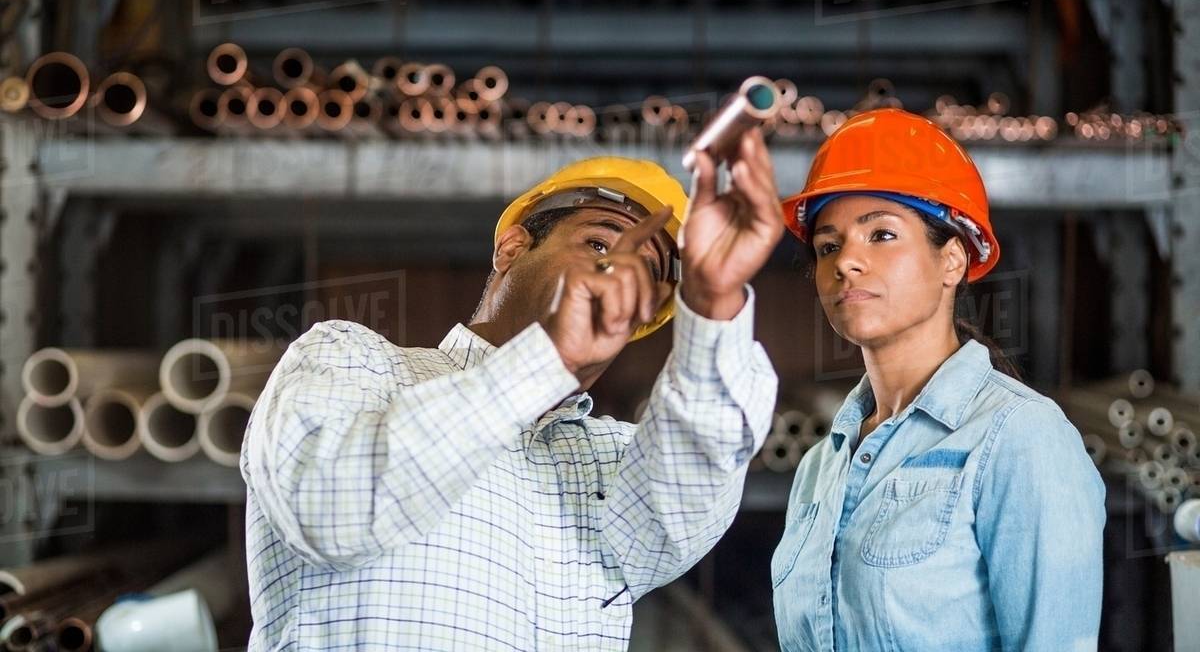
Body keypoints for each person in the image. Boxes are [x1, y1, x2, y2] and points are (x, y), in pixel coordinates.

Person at [241, 135, 785, 651]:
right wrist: (545, 360)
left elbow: (696, 470)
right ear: (512, 247)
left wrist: (716, 304)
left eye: (645, 276)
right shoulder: (353, 361)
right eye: (598, 243)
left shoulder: (615, 463)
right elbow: (329, 511)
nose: (616, 277)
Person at [771, 108, 1105, 652]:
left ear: (952, 260)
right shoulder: (820, 468)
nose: (847, 261)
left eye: (881, 234)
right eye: (829, 245)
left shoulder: (1020, 439)